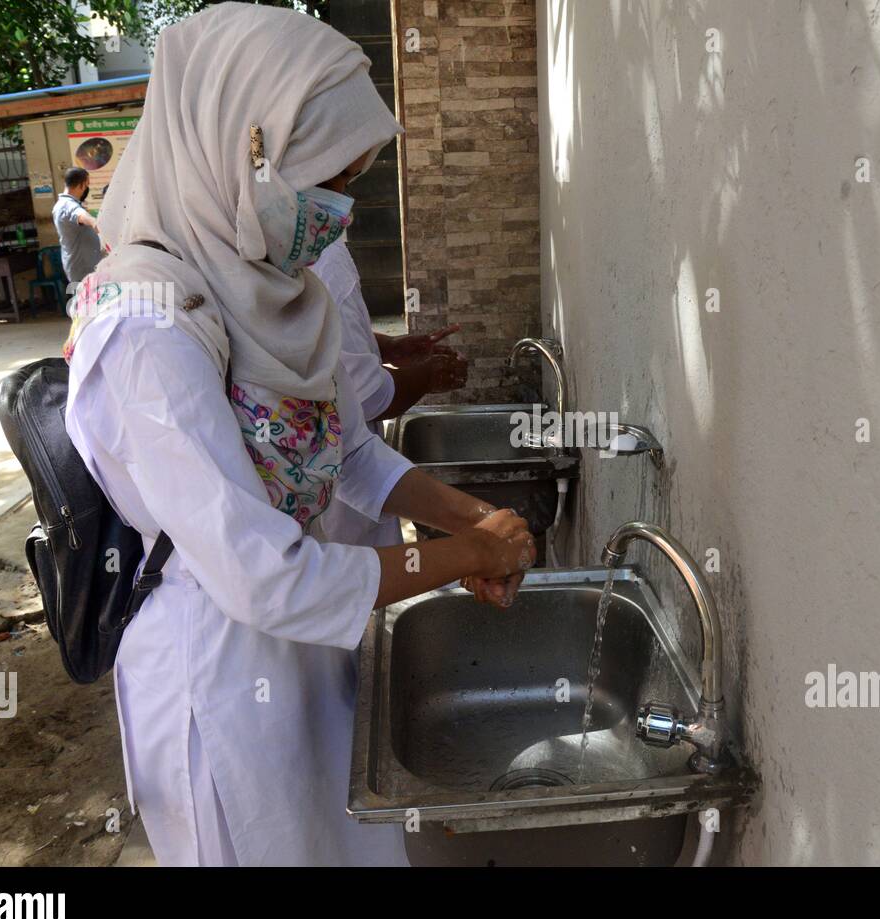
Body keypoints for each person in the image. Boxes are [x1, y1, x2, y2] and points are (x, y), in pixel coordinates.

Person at [63, 3, 533, 866]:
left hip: (304, 649)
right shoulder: (145, 331)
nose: (341, 212)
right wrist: (464, 559)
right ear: (244, 153)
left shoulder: (267, 290)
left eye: (352, 181)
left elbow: (349, 452)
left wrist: (474, 520)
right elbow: (262, 575)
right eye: (329, 181)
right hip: (222, 682)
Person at [311, 231, 467, 547]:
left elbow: (324, 340)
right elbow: (367, 396)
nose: (345, 199)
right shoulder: (327, 259)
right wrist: (426, 376)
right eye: (340, 180)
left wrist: (382, 347)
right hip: (337, 519)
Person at [52, 167, 102, 288]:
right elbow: (80, 215)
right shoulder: (68, 206)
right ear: (82, 184)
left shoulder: (62, 204)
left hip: (82, 267)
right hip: (83, 269)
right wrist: (95, 223)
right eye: (87, 184)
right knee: (90, 304)